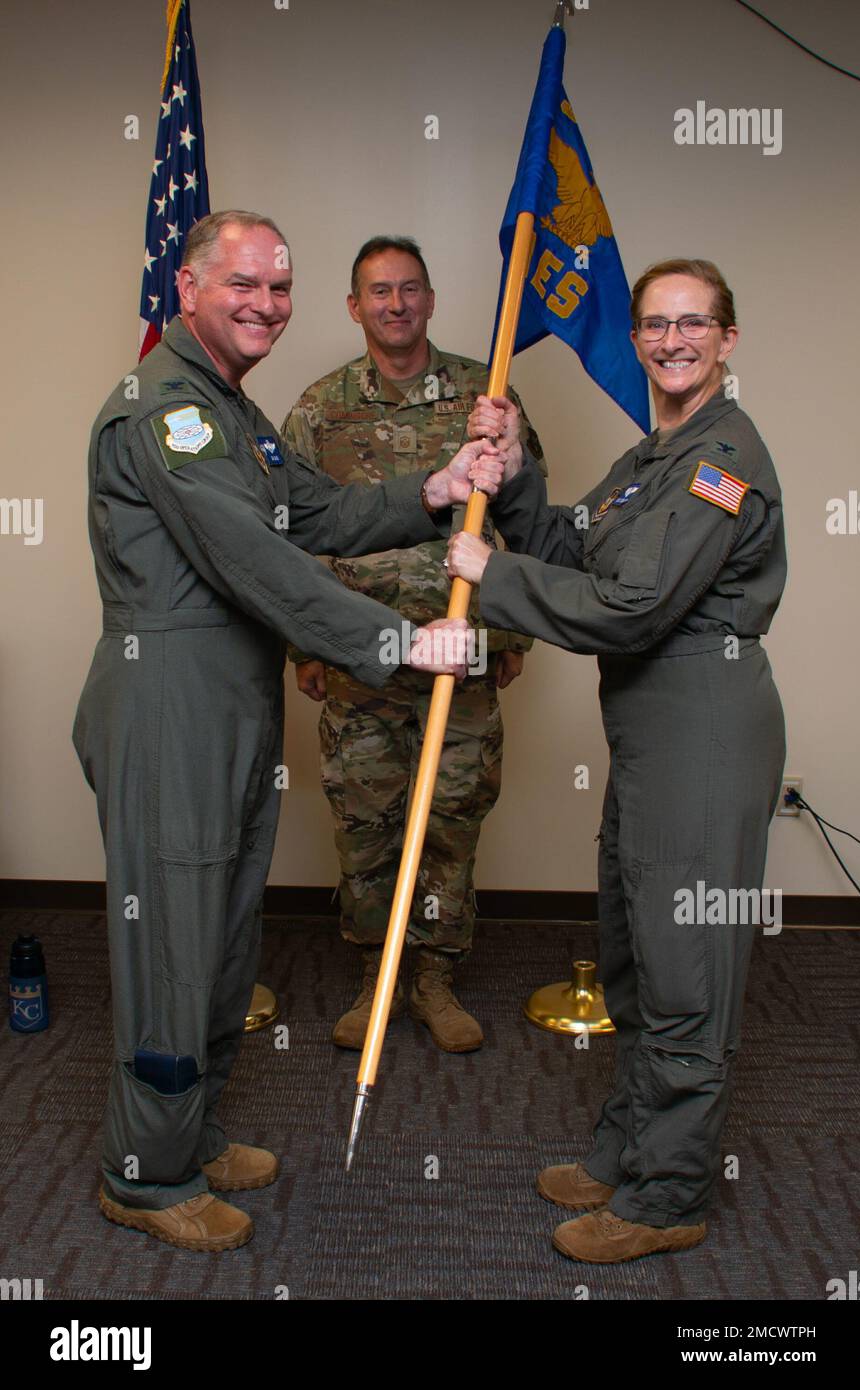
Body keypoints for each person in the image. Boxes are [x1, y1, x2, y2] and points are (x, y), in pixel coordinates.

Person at [72, 210, 505, 1253]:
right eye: (243, 285)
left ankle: (188, 1128)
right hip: (170, 701)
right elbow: (253, 559)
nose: (266, 305)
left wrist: (435, 489)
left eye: (280, 287)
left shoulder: (232, 408)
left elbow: (311, 511)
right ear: (187, 289)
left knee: (222, 934)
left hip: (229, 697)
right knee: (173, 942)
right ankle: (145, 1174)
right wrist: (400, 642)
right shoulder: (166, 409)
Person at [447, 258, 786, 1263]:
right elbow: (571, 543)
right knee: (636, 956)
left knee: (686, 974)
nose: (671, 340)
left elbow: (635, 608)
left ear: (727, 339)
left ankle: (668, 1197)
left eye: (693, 322)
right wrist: (516, 468)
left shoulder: (723, 461)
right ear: (634, 338)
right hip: (646, 733)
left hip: (702, 730)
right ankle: (628, 1153)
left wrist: (491, 577)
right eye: (654, 323)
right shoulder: (654, 455)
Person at [280, 236, 546, 1053]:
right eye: (378, 291)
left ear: (430, 299)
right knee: (367, 824)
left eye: (409, 289)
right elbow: (289, 534)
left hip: (461, 657)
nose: (395, 304)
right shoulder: (319, 410)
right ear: (353, 306)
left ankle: (433, 976)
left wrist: (512, 633)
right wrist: (306, 648)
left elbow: (524, 515)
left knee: (451, 820)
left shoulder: (485, 397)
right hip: (361, 662)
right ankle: (378, 973)